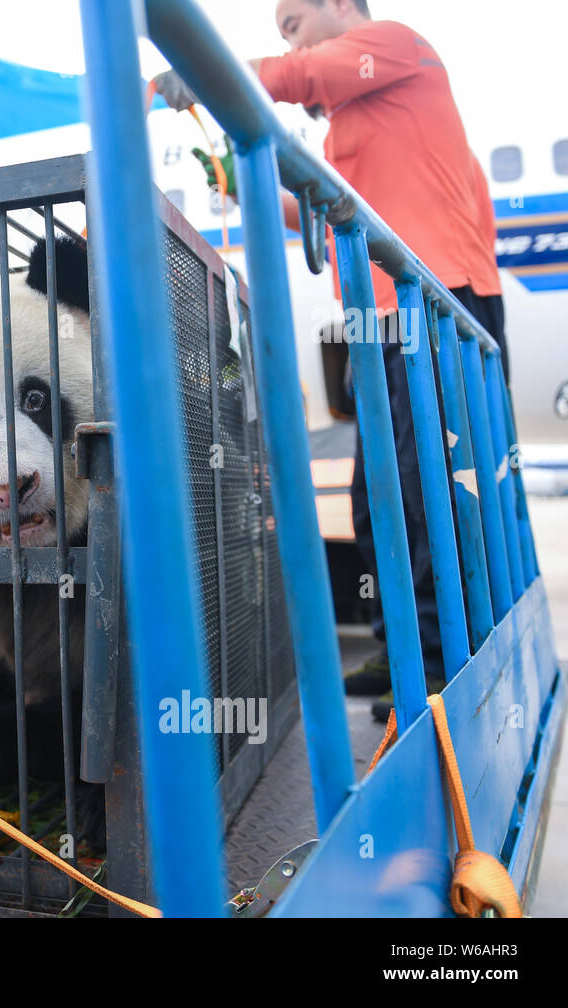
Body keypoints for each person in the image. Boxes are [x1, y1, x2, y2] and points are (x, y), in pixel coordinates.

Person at [155, 0, 509, 720]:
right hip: (384, 316)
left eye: (293, 21)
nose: (288, 39)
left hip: (435, 302)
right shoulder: (373, 125)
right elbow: (328, 216)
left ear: (344, 6)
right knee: (373, 502)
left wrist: (204, 75)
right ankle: (402, 642)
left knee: (422, 490)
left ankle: (442, 664)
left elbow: (310, 74)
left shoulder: (397, 47)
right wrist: (240, 181)